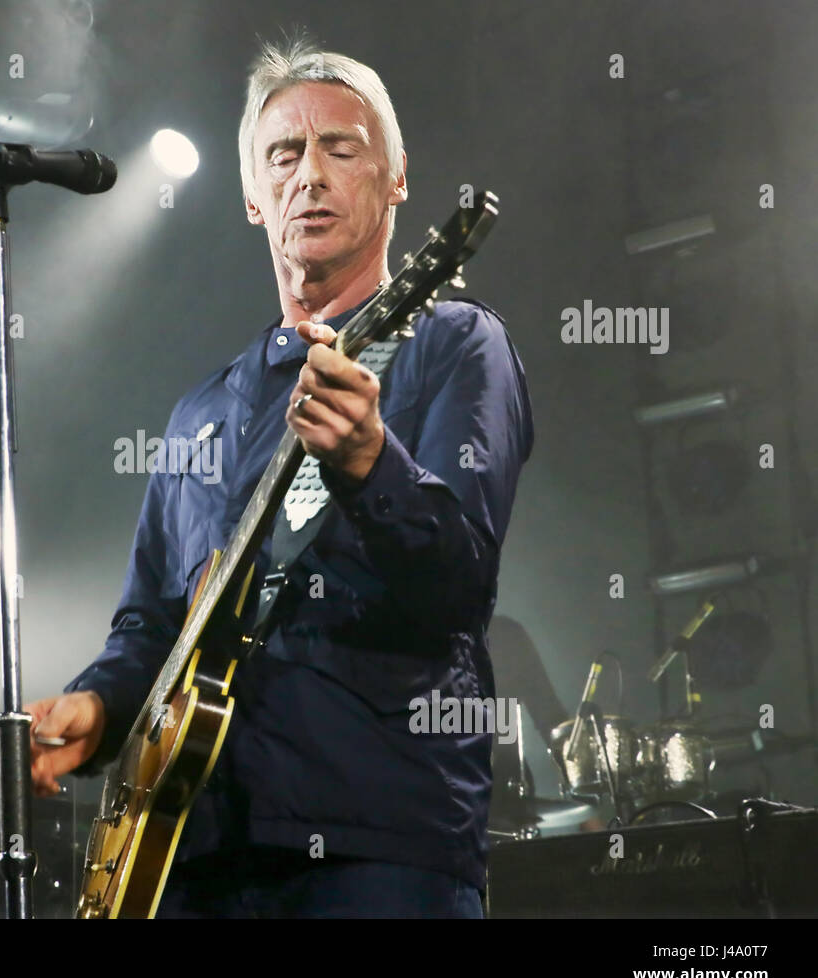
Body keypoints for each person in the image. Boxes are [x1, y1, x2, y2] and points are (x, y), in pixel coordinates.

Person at [26, 36, 534, 917]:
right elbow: (152, 620)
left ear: (397, 178)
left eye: (342, 148)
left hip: (376, 846)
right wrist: (101, 708)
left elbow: (462, 583)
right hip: (192, 854)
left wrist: (373, 464)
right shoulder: (200, 413)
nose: (310, 174)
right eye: (284, 155)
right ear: (256, 199)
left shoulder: (454, 342)